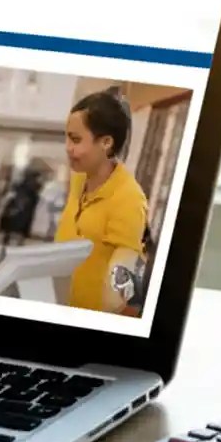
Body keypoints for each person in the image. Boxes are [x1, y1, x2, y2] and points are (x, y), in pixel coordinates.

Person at [55, 90, 148, 313]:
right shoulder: (79, 177)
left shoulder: (129, 200)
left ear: (106, 142)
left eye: (76, 140)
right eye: (67, 137)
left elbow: (121, 294)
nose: (68, 147)